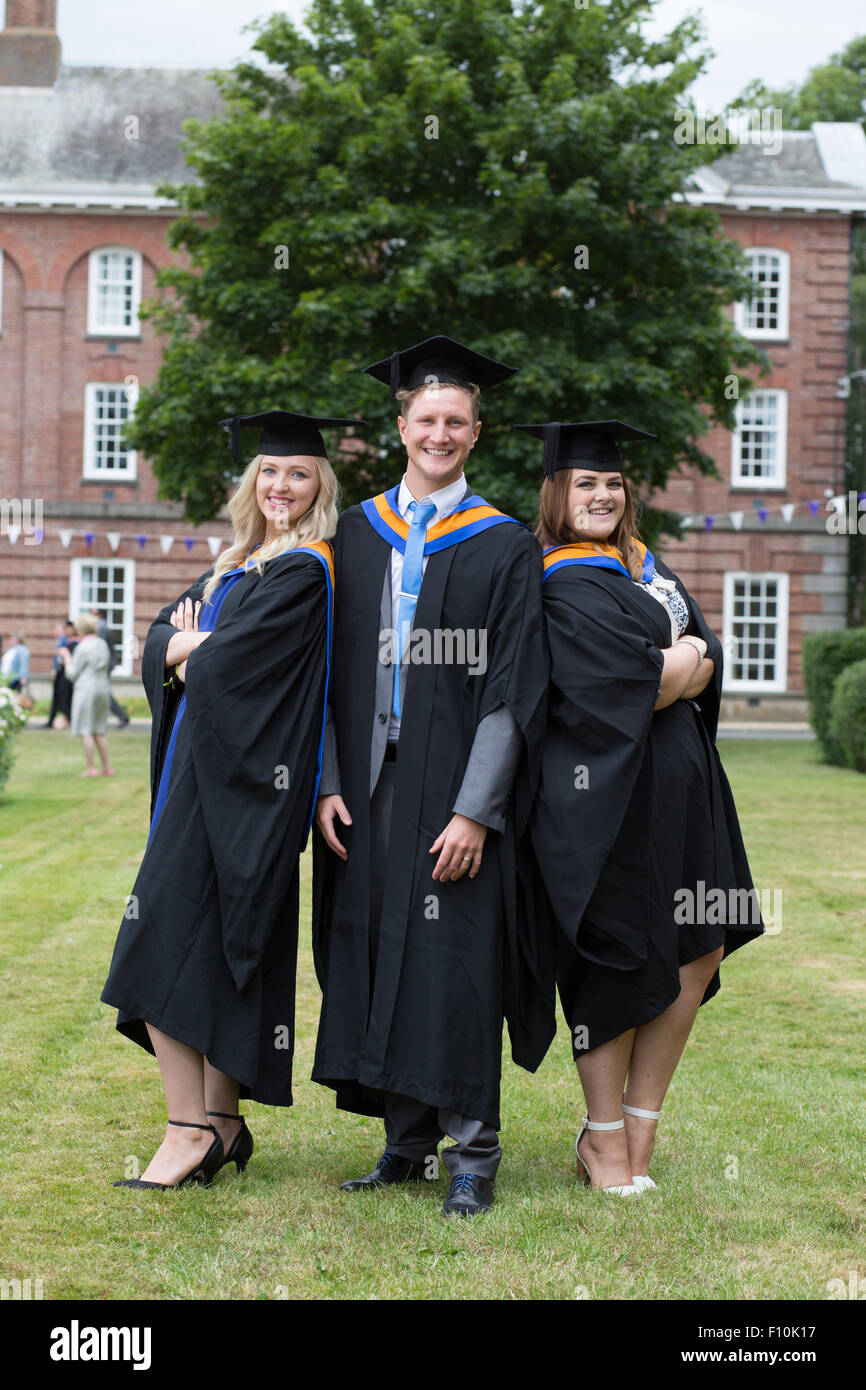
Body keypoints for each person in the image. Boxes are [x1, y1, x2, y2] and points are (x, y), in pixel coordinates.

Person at [313, 337, 553, 1218]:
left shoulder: (502, 546)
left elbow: (513, 689)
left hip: (451, 789)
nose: (440, 434)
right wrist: (330, 781)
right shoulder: (354, 534)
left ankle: (473, 1151)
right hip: (368, 789)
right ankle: (404, 1142)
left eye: (456, 421)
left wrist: (476, 810)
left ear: (476, 433)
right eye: (426, 420)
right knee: (378, 945)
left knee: (454, 961)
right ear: (401, 426)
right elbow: (326, 673)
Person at [101, 410, 358, 1191]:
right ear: (254, 482)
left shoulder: (307, 570)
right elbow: (152, 641)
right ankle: (220, 1123)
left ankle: (186, 1134)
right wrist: (178, 646)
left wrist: (188, 644)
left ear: (321, 487)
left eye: (299, 474)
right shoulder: (239, 560)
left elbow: (228, 666)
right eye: (270, 473)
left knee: (161, 944)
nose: (282, 486)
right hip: (202, 777)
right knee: (208, 946)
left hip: (248, 788)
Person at [518, 420, 764, 1195]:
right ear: (558, 492)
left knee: (699, 944)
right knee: (617, 955)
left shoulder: (638, 567)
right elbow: (636, 684)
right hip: (606, 797)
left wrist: (685, 658)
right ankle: (604, 1139)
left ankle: (640, 1124)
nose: (602, 494)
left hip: (686, 786)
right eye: (585, 483)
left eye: (612, 483)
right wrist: (685, 657)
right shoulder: (560, 577)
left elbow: (702, 656)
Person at [58, 615, 115, 777]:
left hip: (86, 689)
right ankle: (107, 767)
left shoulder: (82, 647)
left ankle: (91, 768)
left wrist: (67, 658)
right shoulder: (102, 644)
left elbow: (71, 673)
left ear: (80, 630)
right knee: (99, 730)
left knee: (86, 729)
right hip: (103, 687)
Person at [91, 609, 130, 728]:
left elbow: (100, 650)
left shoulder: (101, 629)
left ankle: (122, 716)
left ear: (100, 616)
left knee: (104, 693)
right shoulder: (102, 629)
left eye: (93, 615)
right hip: (107, 665)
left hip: (104, 666)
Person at [46, 621, 78, 728]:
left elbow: (65, 657)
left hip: (65, 672)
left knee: (64, 697)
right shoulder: (62, 640)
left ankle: (67, 720)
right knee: (58, 697)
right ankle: (54, 720)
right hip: (61, 671)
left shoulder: (67, 641)